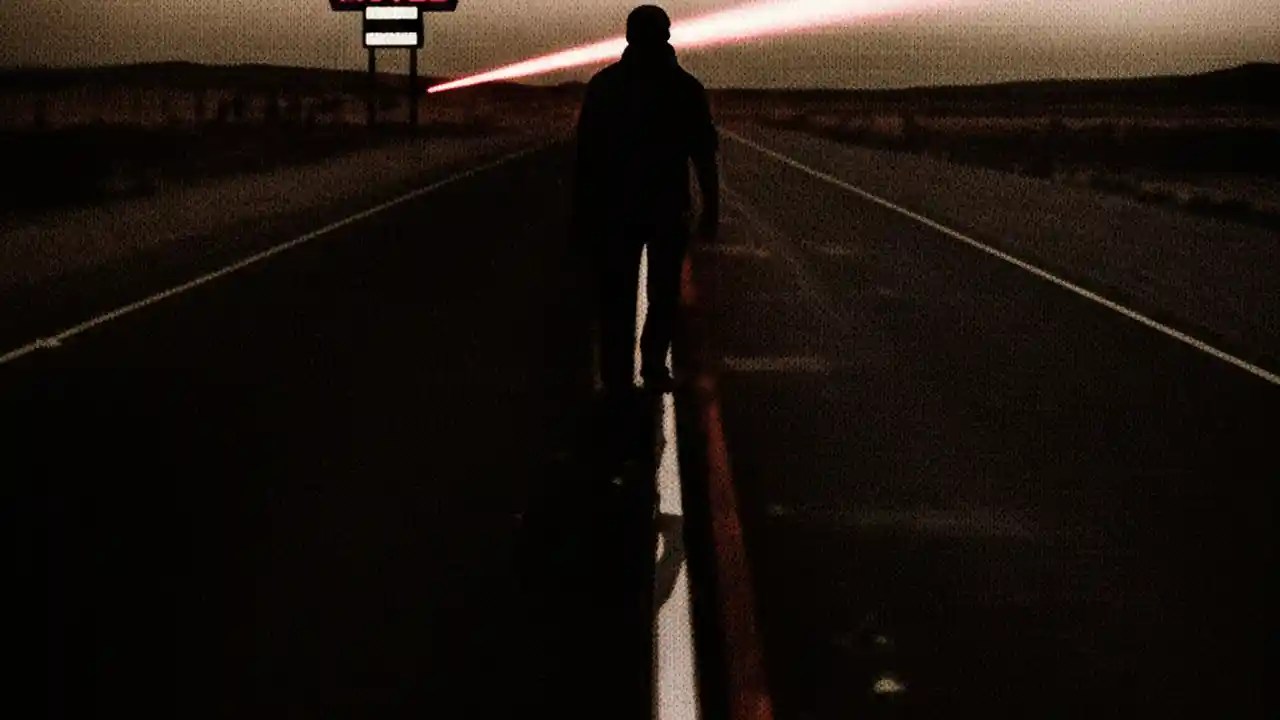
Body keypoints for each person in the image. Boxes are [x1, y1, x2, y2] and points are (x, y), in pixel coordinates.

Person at [572, 4, 720, 394]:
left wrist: (582, 212)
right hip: (662, 207)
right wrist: (711, 208)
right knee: (661, 293)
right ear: (665, 36)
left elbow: (586, 156)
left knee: (619, 292)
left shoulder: (605, 85)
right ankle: (651, 363)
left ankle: (617, 371)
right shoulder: (685, 88)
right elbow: (704, 155)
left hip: (620, 207)